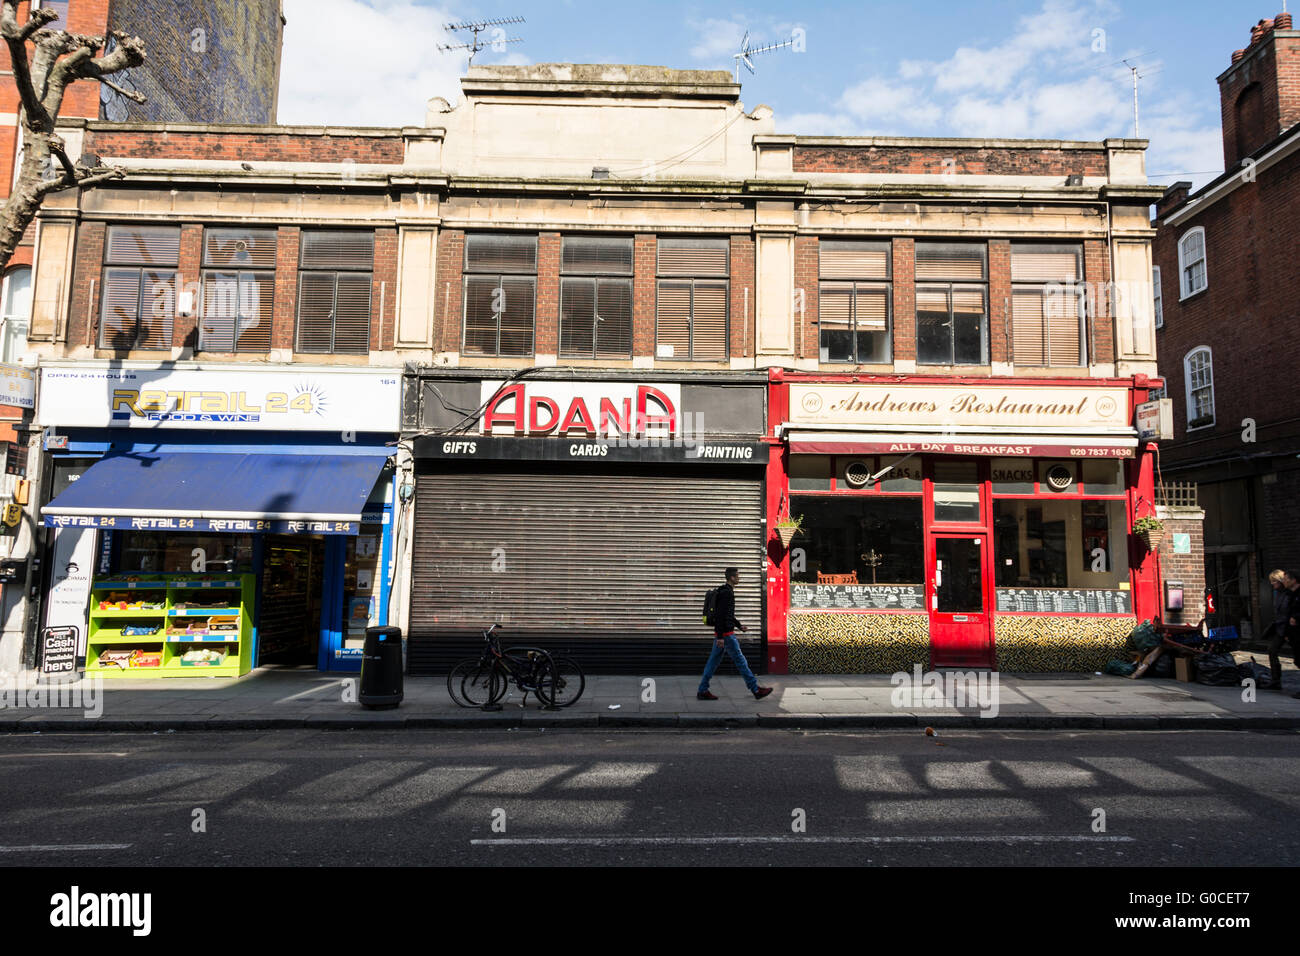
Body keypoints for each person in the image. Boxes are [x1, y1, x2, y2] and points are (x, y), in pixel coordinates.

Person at [697, 567, 773, 701]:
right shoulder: (727, 593)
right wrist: (720, 636)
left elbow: (727, 614)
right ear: (731, 578)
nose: (739, 578)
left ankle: (702, 690)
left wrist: (739, 625)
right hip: (726, 635)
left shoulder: (725, 591)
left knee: (713, 662)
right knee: (740, 661)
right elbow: (720, 616)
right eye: (737, 576)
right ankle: (755, 689)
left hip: (725, 633)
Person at [1264, 570, 1291, 690]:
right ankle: (1276, 679)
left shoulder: (1290, 594)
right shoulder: (1278, 593)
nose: (1272, 585)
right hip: (1281, 628)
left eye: (1274, 582)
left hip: (1289, 627)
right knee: (1272, 650)